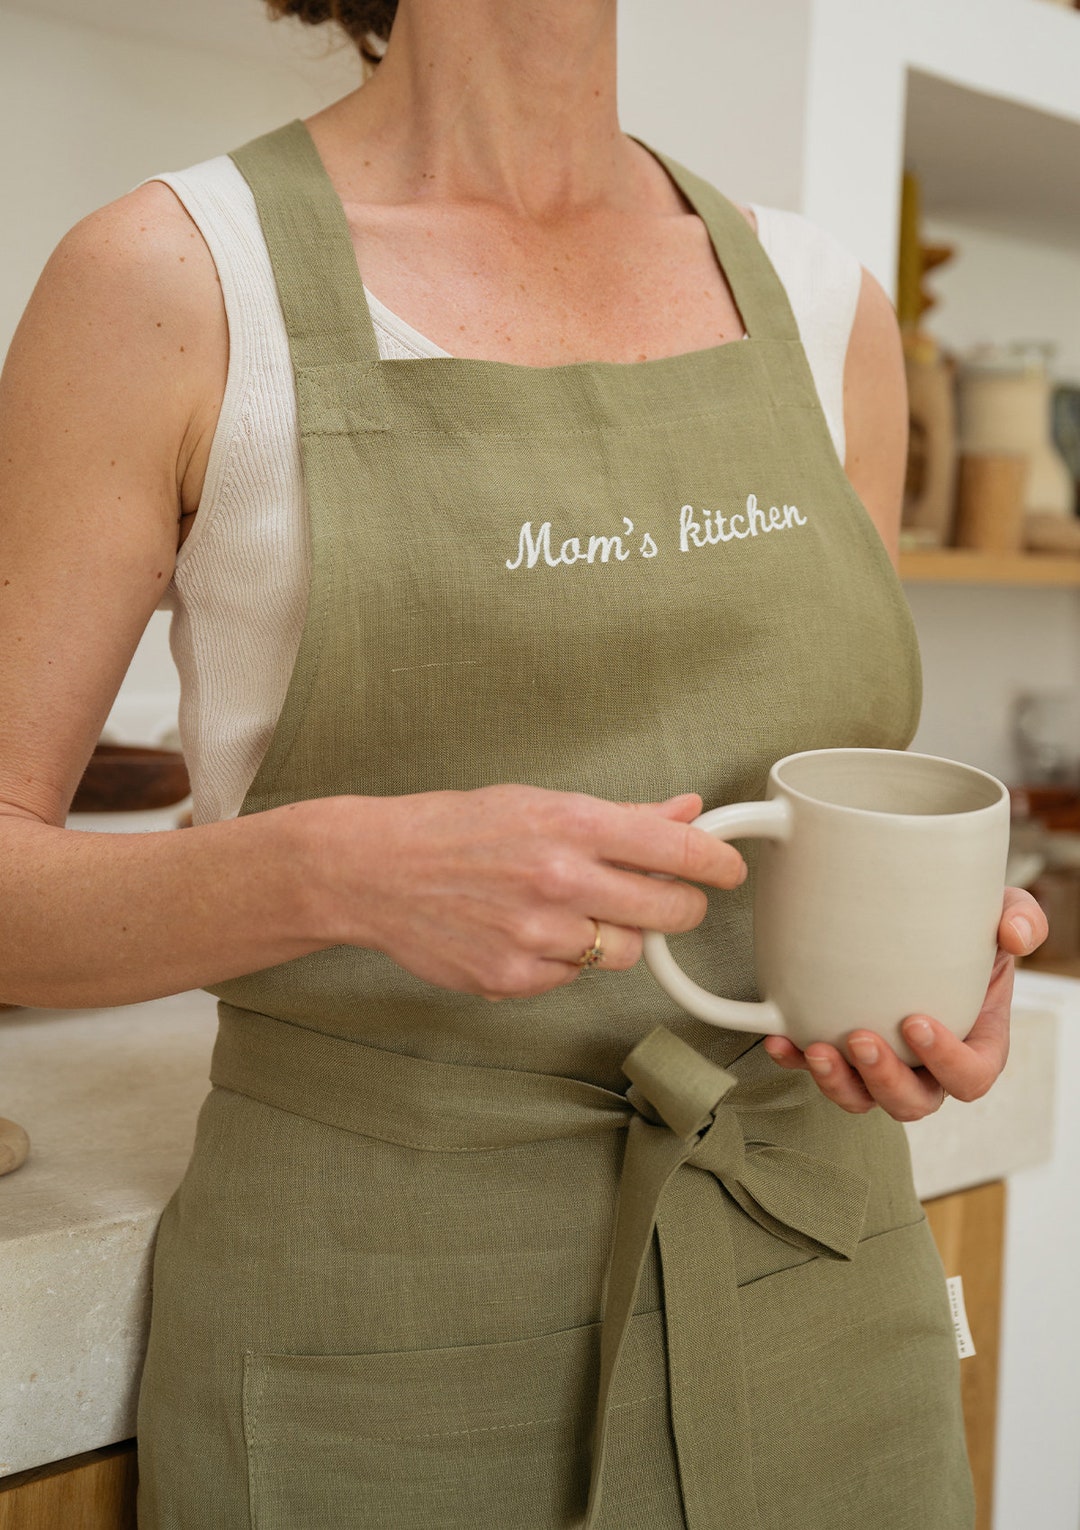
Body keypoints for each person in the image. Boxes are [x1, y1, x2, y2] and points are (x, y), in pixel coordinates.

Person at [0, 1, 1048, 1526]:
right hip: (379, 1340)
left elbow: (820, 817)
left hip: (824, 1286)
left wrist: (925, 987)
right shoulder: (171, 281)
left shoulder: (827, 304)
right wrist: (340, 871)